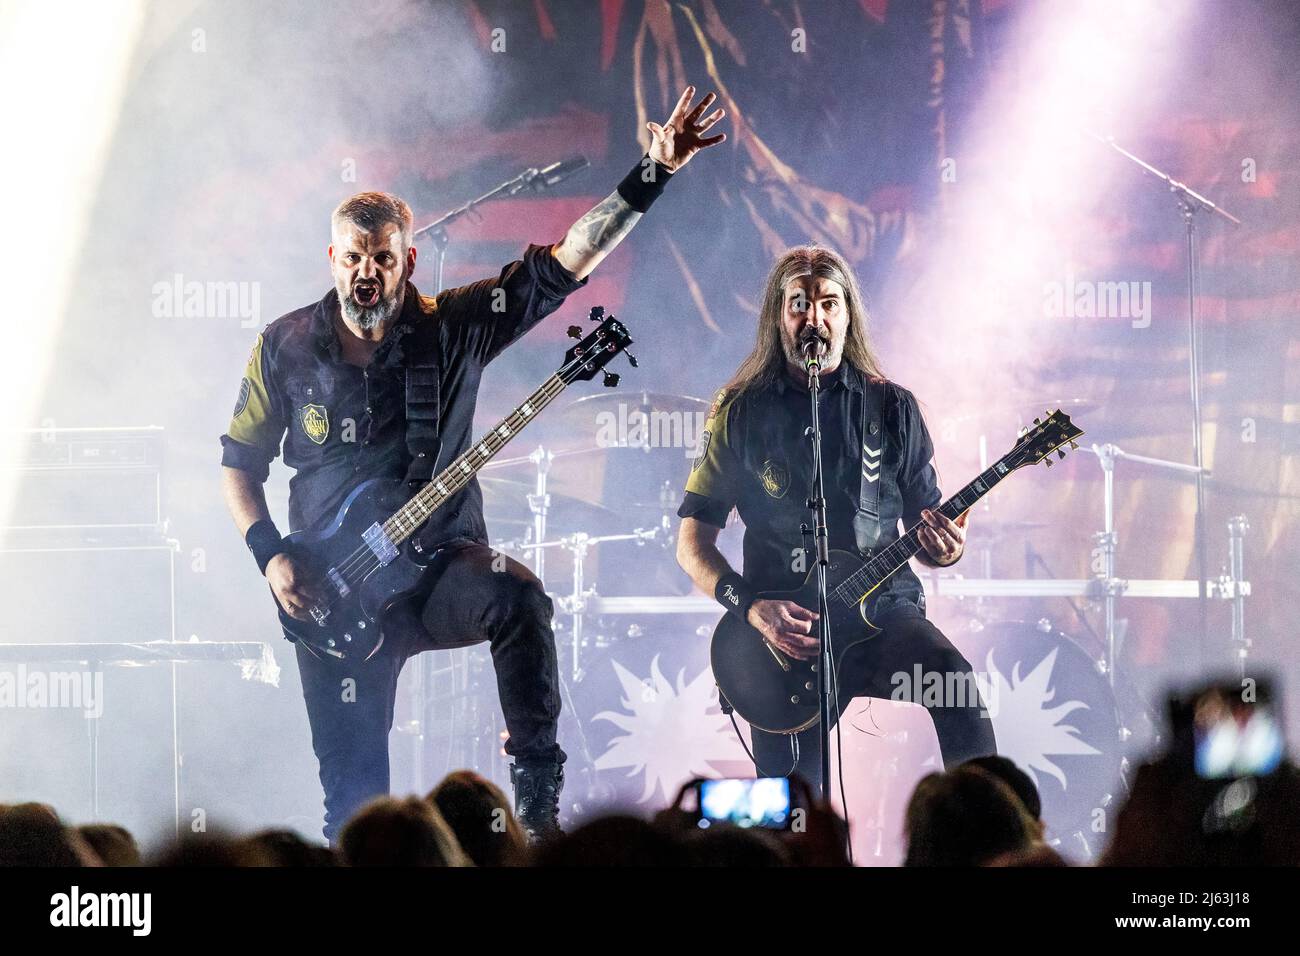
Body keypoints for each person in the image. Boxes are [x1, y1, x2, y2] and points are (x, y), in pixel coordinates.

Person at [220, 87, 728, 843]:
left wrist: (652, 173)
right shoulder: (284, 345)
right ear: (332, 258)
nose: (367, 272)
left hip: (436, 572)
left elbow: (561, 266)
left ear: (408, 261)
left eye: (383, 258)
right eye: (354, 256)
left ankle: (537, 806)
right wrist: (271, 559)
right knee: (354, 807)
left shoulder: (450, 327)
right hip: (329, 594)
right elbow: (239, 464)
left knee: (520, 601)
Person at [675, 245, 997, 786]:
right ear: (778, 316)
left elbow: (935, 527)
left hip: (881, 618)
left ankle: (989, 842)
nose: (814, 318)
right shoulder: (740, 411)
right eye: (798, 303)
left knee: (954, 683)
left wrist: (949, 549)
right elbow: (692, 545)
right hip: (784, 637)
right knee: (796, 810)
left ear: (848, 316)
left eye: (828, 303)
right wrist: (753, 609)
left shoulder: (892, 407)